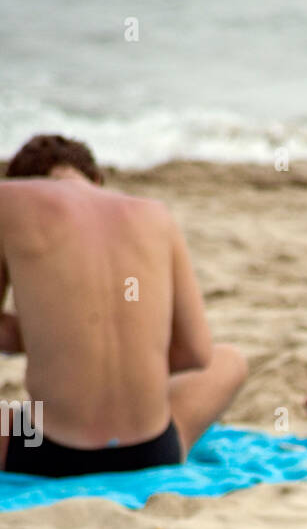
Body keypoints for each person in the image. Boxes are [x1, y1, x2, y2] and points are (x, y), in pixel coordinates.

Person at [0, 133, 246, 476]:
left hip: (47, 451)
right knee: (229, 360)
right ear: (96, 180)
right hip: (152, 450)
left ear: (23, 182)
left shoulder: (9, 201)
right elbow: (195, 352)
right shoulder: (155, 214)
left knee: (13, 419)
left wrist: (53, 340)